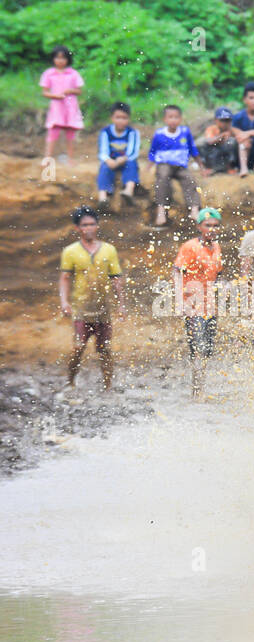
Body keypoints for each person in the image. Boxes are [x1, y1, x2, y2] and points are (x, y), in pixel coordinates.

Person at [58, 206, 125, 391]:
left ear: (97, 226)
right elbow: (65, 278)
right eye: (84, 225)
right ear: (77, 228)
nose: (89, 228)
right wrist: (64, 302)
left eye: (92, 224)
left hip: (103, 309)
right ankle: (70, 381)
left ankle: (108, 386)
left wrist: (121, 305)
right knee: (78, 348)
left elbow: (116, 279)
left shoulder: (109, 250)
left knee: (105, 350)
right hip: (81, 309)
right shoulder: (70, 251)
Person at [174, 208, 224, 397]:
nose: (212, 229)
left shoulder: (217, 247)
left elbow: (218, 274)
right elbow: (177, 272)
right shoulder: (190, 247)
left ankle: (199, 387)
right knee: (198, 348)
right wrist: (180, 303)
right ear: (199, 226)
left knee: (208, 350)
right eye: (207, 225)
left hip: (210, 306)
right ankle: (197, 392)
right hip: (193, 306)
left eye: (215, 226)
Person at [149, 104, 200, 227]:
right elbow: (153, 151)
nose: (173, 120)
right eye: (170, 117)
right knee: (162, 178)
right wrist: (150, 166)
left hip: (181, 166)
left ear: (180, 119)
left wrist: (201, 166)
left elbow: (193, 149)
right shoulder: (159, 134)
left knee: (190, 180)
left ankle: (194, 209)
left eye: (176, 117)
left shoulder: (185, 132)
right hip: (164, 164)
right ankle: (162, 211)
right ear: (165, 119)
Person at [40, 46, 84, 164]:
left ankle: (70, 158)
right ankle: (48, 158)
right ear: (53, 59)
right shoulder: (49, 74)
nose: (60, 61)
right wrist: (55, 96)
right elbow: (44, 92)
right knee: (53, 131)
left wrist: (70, 91)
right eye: (57, 58)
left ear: (68, 59)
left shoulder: (73, 74)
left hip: (70, 107)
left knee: (70, 132)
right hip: (57, 107)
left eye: (63, 58)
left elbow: (79, 91)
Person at [96, 102, 140, 205]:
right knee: (105, 168)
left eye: (124, 118)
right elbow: (103, 151)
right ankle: (102, 196)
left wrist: (124, 158)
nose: (121, 121)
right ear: (112, 118)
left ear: (128, 119)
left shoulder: (132, 132)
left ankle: (128, 190)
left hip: (126, 159)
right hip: (111, 160)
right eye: (118, 117)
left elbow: (133, 151)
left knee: (132, 165)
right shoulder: (106, 132)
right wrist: (108, 160)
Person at [197, 107, 239, 175]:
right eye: (222, 120)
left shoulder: (232, 130)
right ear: (216, 120)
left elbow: (242, 136)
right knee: (200, 142)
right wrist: (221, 136)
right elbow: (209, 141)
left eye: (227, 120)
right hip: (212, 153)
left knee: (232, 141)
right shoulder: (211, 129)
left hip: (225, 155)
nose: (225, 123)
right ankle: (208, 168)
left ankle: (230, 167)